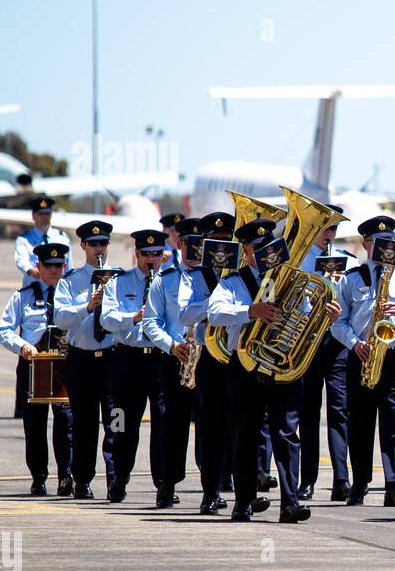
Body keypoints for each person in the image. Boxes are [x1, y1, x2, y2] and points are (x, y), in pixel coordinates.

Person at [209, 218, 334, 522]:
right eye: (259, 248)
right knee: (245, 433)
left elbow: (306, 318)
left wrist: (327, 316)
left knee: (287, 433)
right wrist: (250, 311)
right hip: (247, 366)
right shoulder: (232, 281)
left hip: (284, 367)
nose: (267, 253)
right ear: (247, 252)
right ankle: (243, 501)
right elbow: (214, 313)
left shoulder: (292, 280)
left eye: (271, 247)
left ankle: (289, 501)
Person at [332, 216, 395, 508]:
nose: (385, 249)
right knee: (359, 421)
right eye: (378, 243)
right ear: (366, 244)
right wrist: (354, 343)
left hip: (394, 355)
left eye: (390, 243)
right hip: (362, 354)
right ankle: (359, 484)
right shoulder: (352, 277)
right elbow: (338, 322)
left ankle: (394, 483)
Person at [0, 242, 73, 496]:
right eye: (48, 266)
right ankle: (38, 477)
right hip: (33, 364)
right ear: (38, 267)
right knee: (35, 424)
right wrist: (22, 346)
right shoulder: (23, 296)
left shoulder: (72, 296)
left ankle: (66, 476)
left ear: (64, 266)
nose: (54, 271)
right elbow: (2, 329)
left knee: (66, 422)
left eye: (59, 265)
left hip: (63, 365)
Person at [53, 220, 118, 500]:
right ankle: (82, 480)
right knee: (85, 424)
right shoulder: (71, 281)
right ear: (83, 246)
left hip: (113, 360)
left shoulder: (120, 279)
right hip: (82, 359)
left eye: (103, 243)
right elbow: (60, 318)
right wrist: (88, 305)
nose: (98, 249)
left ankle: (117, 478)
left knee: (117, 422)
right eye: (93, 244)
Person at [100, 229, 167, 503]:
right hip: (129, 358)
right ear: (136, 254)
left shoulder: (169, 282)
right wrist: (134, 317)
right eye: (146, 254)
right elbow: (106, 319)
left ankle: (164, 484)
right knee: (125, 424)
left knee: (164, 424)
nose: (151, 260)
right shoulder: (119, 282)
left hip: (161, 360)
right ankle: (120, 477)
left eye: (157, 254)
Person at [297, 206, 358, 502]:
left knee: (339, 412)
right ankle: (306, 479)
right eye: (324, 227)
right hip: (306, 340)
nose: (329, 234)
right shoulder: (298, 260)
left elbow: (353, 305)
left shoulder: (348, 261)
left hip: (336, 343)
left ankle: (341, 479)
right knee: (308, 413)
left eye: (333, 228)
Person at [142, 216, 202, 508]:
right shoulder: (165, 280)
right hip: (176, 357)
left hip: (208, 359)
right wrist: (171, 344)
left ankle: (212, 486)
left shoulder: (217, 278)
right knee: (172, 424)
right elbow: (151, 322)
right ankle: (167, 482)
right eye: (190, 243)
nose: (196, 249)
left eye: (201, 243)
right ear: (179, 243)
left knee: (210, 424)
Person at [181, 211, 236, 514]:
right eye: (214, 241)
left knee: (242, 426)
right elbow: (186, 315)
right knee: (212, 428)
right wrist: (214, 303)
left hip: (240, 356)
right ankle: (210, 492)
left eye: (226, 240)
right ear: (203, 244)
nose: (220, 246)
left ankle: (243, 490)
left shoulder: (242, 274)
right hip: (211, 357)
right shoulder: (193, 276)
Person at [14, 196, 72, 286]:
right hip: (34, 287)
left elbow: (68, 266)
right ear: (33, 215)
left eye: (47, 213)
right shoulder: (24, 239)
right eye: (40, 214)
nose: (44, 217)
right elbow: (21, 259)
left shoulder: (62, 238)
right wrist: (30, 269)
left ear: (51, 214)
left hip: (57, 288)